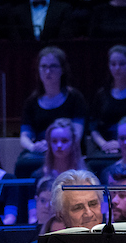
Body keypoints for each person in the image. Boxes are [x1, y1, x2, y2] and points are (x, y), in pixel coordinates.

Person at [16, 47, 88, 177]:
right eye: (43, 67)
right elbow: (24, 137)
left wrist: (54, 145)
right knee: (23, 166)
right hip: (41, 154)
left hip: (68, 154)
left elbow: (77, 135)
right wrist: (33, 147)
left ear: (62, 70)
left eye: (53, 66)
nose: (48, 71)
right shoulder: (31, 101)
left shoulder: (75, 98)